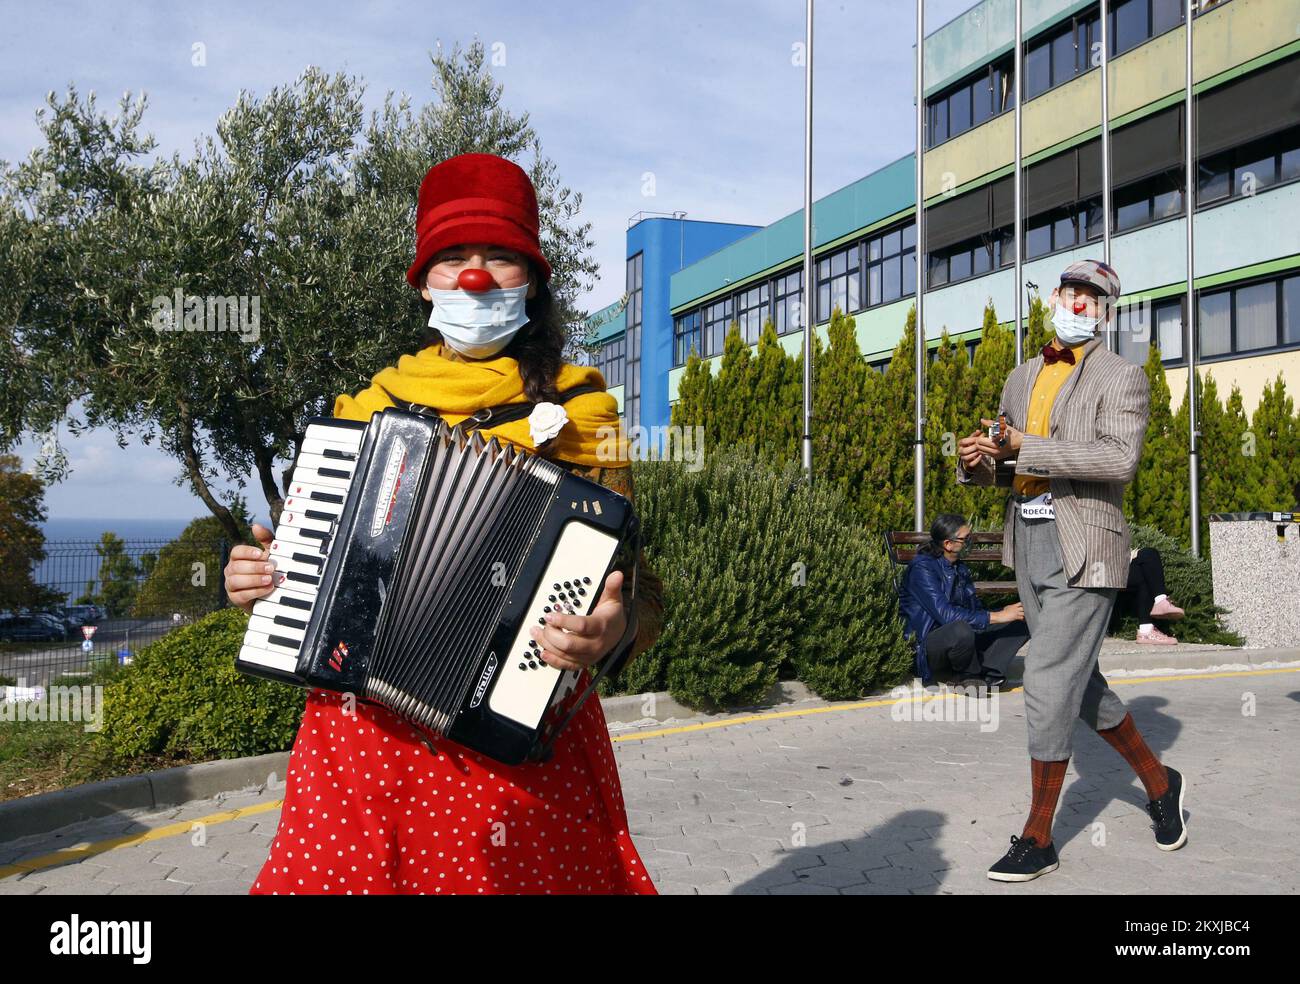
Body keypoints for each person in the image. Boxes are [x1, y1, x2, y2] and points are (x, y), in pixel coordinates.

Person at [224, 153, 664, 894]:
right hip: (359, 748)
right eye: (453, 258)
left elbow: (644, 595)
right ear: (424, 282)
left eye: (500, 257)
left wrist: (614, 631)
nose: (475, 278)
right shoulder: (364, 413)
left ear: (534, 279)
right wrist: (261, 583)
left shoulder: (589, 419)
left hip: (516, 753)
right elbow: (309, 582)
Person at [957, 258, 1187, 883]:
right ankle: (1161, 784)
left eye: (1094, 297)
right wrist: (978, 460)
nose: (1079, 304)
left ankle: (1039, 835)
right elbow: (1005, 466)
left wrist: (1022, 446)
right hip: (1028, 540)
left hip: (1087, 543)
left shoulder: (1122, 377)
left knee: (1048, 677)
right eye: (1071, 291)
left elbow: (1118, 460)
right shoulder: (1020, 375)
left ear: (1107, 310)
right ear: (1055, 296)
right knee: (1080, 685)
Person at [898, 513, 1028, 688]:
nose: (970, 542)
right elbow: (947, 616)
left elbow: (974, 610)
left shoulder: (959, 567)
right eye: (966, 538)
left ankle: (988, 672)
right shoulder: (922, 569)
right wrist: (996, 617)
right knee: (961, 628)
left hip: (961, 640)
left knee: (1021, 618)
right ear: (948, 544)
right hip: (929, 646)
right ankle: (967, 676)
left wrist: (1003, 613)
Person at [1125, 546, 1185, 645]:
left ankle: (1160, 601)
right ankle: (1146, 630)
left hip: (1116, 563)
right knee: (1144, 570)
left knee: (1148, 554)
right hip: (1098, 570)